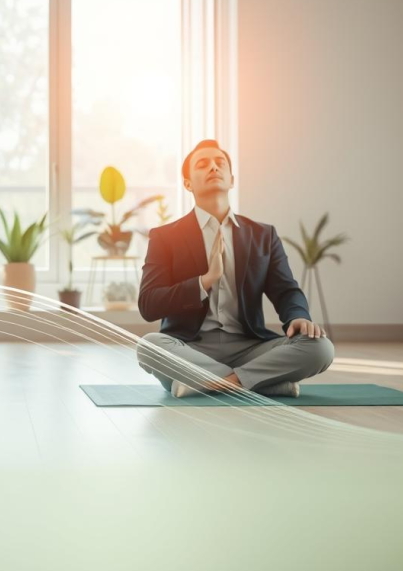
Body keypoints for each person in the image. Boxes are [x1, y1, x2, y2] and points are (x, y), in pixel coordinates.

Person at [136, 140, 333, 398]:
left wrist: (298, 316)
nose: (213, 168)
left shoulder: (263, 235)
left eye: (220, 163)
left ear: (231, 180)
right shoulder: (165, 237)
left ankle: (208, 383)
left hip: (250, 347)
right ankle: (262, 382)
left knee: (321, 348)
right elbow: (149, 304)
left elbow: (286, 290)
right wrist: (205, 280)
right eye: (203, 164)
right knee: (149, 346)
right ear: (187, 183)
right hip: (190, 346)